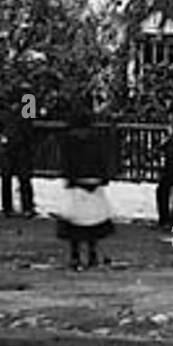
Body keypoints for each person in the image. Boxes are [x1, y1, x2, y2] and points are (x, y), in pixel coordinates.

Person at [56, 108, 114, 269]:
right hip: (94, 182)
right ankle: (92, 253)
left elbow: (66, 162)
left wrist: (69, 177)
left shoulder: (68, 140)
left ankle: (75, 255)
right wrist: (103, 177)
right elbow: (103, 159)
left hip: (77, 183)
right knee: (93, 221)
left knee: (74, 222)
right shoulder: (96, 139)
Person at [0, 96, 37, 218]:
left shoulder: (7, 115)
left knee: (17, 178)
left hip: (16, 149)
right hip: (15, 149)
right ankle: (21, 207)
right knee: (16, 178)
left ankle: (12, 208)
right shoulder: (23, 114)